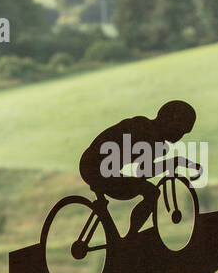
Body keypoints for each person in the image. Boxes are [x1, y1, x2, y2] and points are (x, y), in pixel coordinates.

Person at [78, 100, 196, 233]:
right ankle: (131, 237)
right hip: (96, 168)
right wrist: (174, 162)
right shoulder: (149, 134)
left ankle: (130, 238)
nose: (180, 136)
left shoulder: (147, 128)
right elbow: (144, 172)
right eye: (180, 131)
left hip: (94, 165)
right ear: (169, 122)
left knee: (145, 189)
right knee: (151, 193)